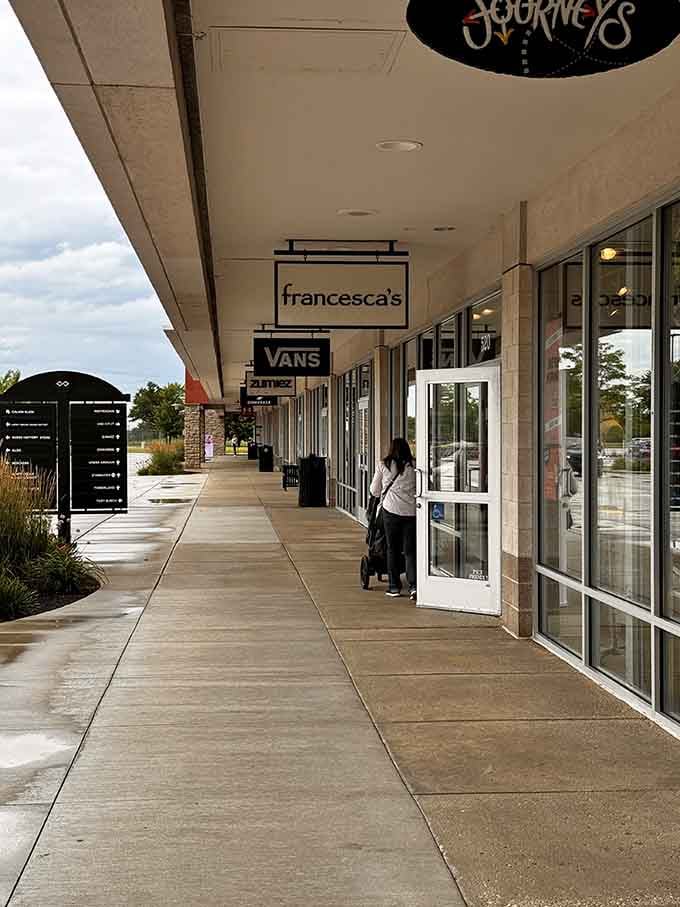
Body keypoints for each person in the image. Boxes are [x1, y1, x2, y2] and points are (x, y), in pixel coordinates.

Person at [370, 437, 417, 601]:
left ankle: (394, 586)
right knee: (410, 550)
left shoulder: (384, 465)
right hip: (411, 512)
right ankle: (414, 586)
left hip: (391, 511)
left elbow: (374, 491)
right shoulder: (414, 465)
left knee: (392, 549)